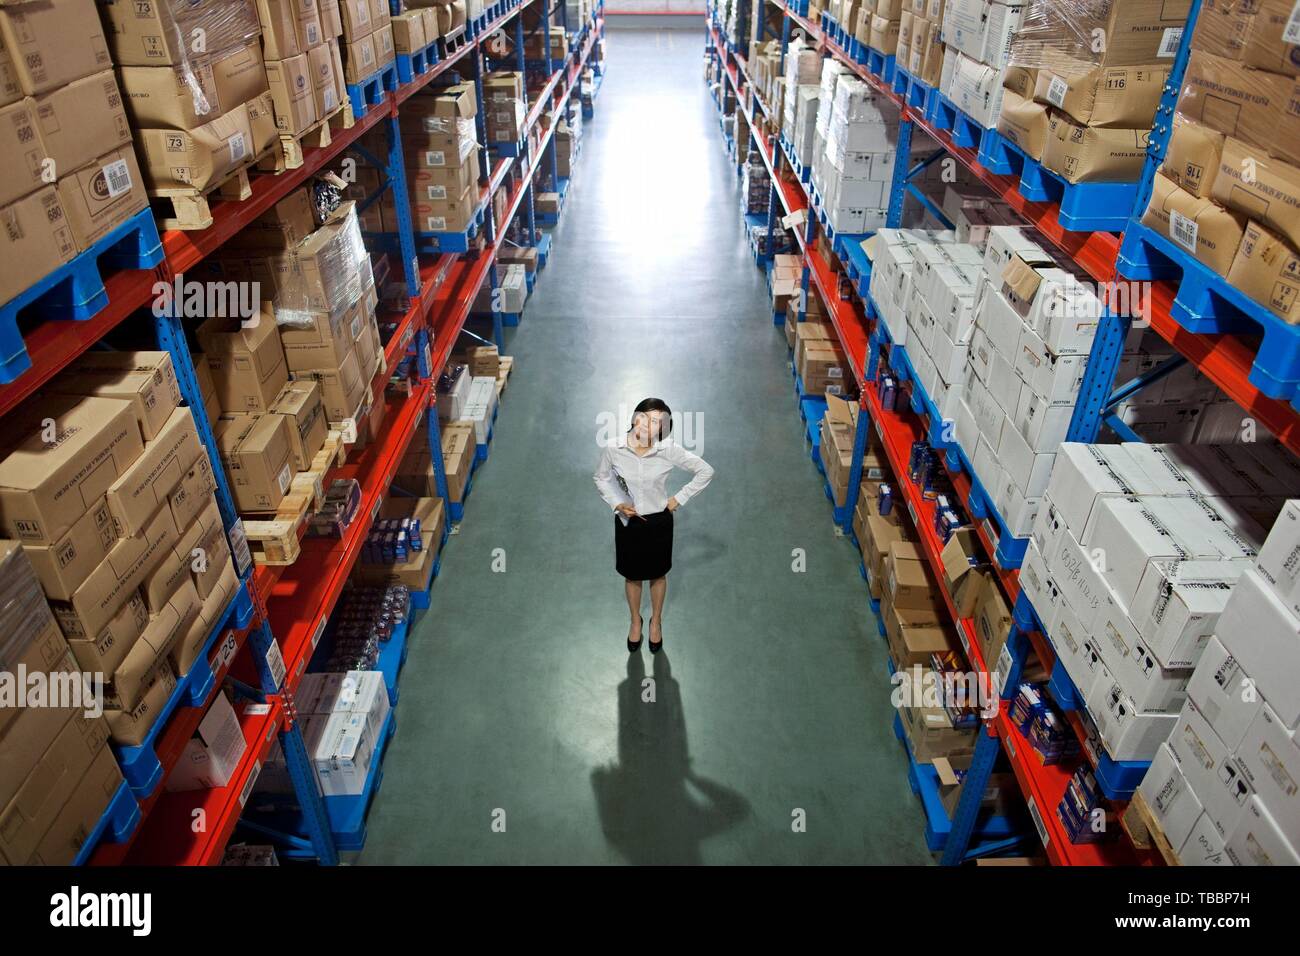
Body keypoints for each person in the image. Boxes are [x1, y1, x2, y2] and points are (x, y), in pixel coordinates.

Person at [593, 398, 714, 653]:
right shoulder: (614, 448)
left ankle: (656, 621)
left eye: (657, 421)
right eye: (645, 417)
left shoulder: (667, 450)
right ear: (635, 418)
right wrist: (617, 503)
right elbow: (601, 478)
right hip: (628, 521)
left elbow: (705, 471)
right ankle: (635, 620)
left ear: (663, 429)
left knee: (658, 574)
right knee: (632, 575)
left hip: (659, 521)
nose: (649, 425)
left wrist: (678, 499)